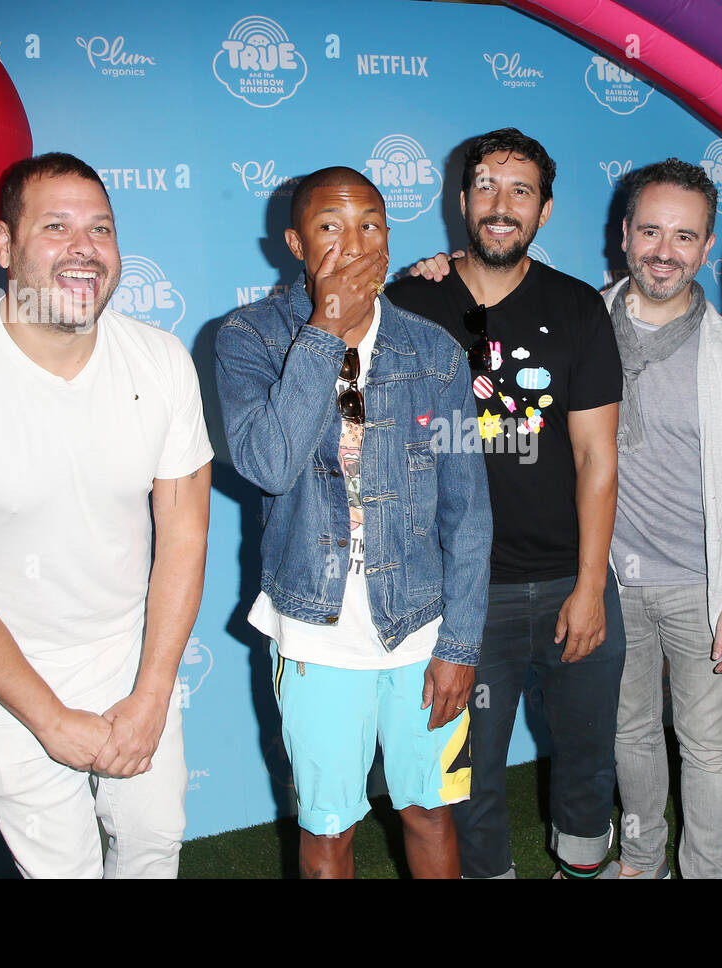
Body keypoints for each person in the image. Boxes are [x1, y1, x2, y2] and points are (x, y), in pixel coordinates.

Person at [0, 152, 213, 878]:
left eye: (101, 228)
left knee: (155, 846)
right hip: (2, 667)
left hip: (130, 653)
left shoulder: (159, 361)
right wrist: (51, 722)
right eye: (55, 226)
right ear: (4, 246)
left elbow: (184, 534)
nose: (84, 247)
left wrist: (151, 693)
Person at [215, 167, 490, 879]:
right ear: (294, 243)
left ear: (391, 239)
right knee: (329, 827)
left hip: (422, 624)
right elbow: (269, 466)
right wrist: (324, 330)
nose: (353, 242)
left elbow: (467, 512)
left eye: (370, 223)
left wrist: (460, 643)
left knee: (428, 810)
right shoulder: (246, 337)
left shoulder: (433, 351)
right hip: (316, 625)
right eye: (330, 227)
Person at [389, 128, 627, 879]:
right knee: (469, 781)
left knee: (588, 766)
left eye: (520, 190)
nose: (501, 205)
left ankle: (583, 870)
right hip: (461, 596)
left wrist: (591, 587)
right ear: (460, 202)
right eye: (486, 186)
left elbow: (597, 457)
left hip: (568, 581)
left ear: (546, 210)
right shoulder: (406, 302)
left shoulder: (578, 307)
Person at [597, 159, 722, 879]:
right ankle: (641, 858)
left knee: (704, 742)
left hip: (701, 584)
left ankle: (705, 870)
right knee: (628, 732)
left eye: (684, 236)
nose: (664, 250)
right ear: (625, 235)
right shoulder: (581, 321)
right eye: (651, 231)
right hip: (605, 581)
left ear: (706, 247)